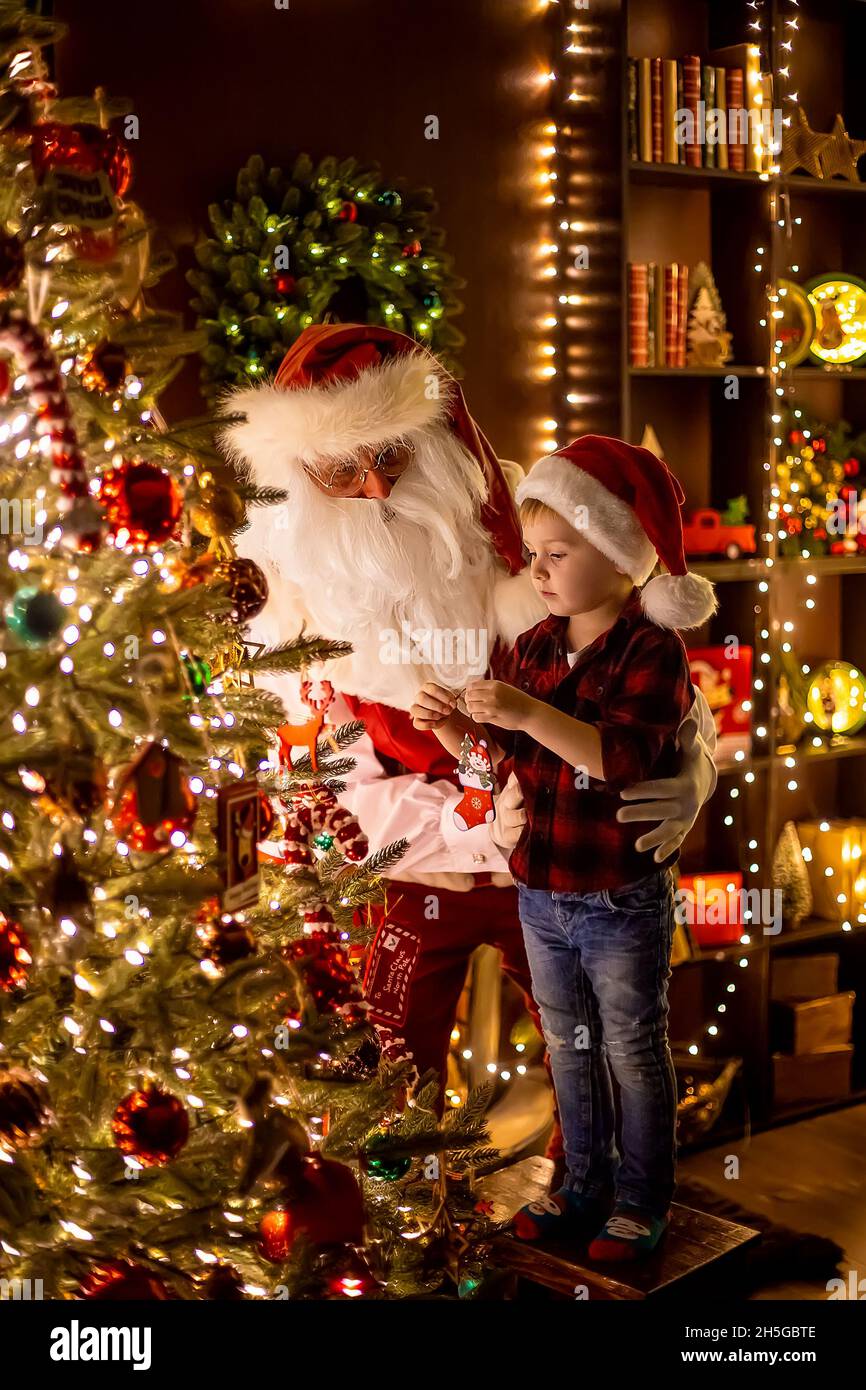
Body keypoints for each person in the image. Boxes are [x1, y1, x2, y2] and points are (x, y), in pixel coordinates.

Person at [219, 326, 718, 1183]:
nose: (374, 488)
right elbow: (336, 793)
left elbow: (650, 685)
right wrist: (470, 828)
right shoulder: (303, 622)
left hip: (565, 878)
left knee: (594, 1046)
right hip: (425, 881)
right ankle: (388, 1214)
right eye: (340, 472)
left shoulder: (530, 557)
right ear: (298, 486)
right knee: (389, 1063)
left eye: (391, 458)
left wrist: (692, 772)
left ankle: (591, 1194)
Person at [410, 434, 718, 1260]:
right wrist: (454, 728)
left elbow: (621, 758)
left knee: (631, 1050)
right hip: (541, 892)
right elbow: (512, 763)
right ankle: (581, 1184)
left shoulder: (651, 650)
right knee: (570, 1049)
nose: (539, 571)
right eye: (534, 555)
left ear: (621, 557)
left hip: (618, 896)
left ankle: (641, 1198)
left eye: (558, 553)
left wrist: (528, 713)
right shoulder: (535, 645)